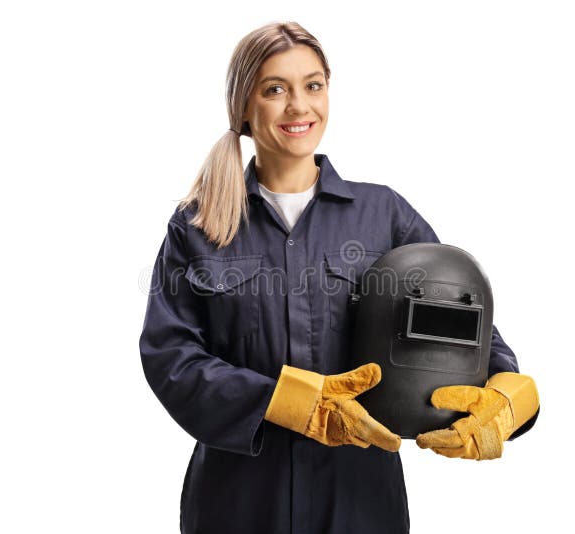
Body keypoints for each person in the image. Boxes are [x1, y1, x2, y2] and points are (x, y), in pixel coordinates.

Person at [139, 21, 539, 534]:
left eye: (313, 85)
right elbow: (170, 356)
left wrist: (509, 398)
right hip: (237, 506)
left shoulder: (386, 215)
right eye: (274, 89)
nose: (299, 107)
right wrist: (286, 402)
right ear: (243, 106)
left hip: (361, 504)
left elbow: (464, 325)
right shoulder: (199, 224)